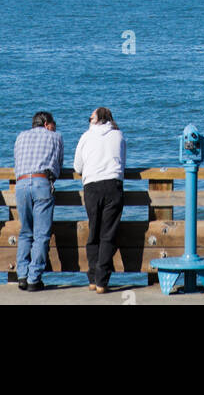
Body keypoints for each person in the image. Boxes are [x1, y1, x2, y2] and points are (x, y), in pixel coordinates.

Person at [73, 106, 126, 294]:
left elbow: (77, 166)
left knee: (93, 232)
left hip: (92, 187)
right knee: (108, 235)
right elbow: (123, 163)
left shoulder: (86, 137)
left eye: (90, 118)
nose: (88, 120)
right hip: (113, 185)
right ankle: (102, 281)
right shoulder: (118, 135)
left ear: (96, 120)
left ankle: (92, 279)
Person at [13, 110, 63, 292]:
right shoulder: (55, 137)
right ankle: (34, 278)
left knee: (26, 231)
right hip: (41, 182)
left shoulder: (20, 136)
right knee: (41, 234)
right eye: (54, 124)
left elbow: (17, 162)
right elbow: (58, 164)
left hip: (21, 184)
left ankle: (22, 275)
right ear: (47, 124)